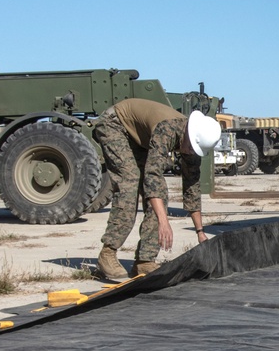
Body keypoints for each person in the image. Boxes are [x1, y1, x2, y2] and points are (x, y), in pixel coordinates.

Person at [92, 98, 222, 280]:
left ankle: (144, 260)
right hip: (115, 124)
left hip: (140, 138)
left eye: (195, 151)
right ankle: (107, 254)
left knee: (160, 195)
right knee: (129, 181)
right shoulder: (167, 130)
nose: (191, 153)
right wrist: (163, 221)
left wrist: (200, 232)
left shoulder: (191, 144)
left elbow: (192, 187)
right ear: (189, 137)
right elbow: (153, 177)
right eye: (192, 149)